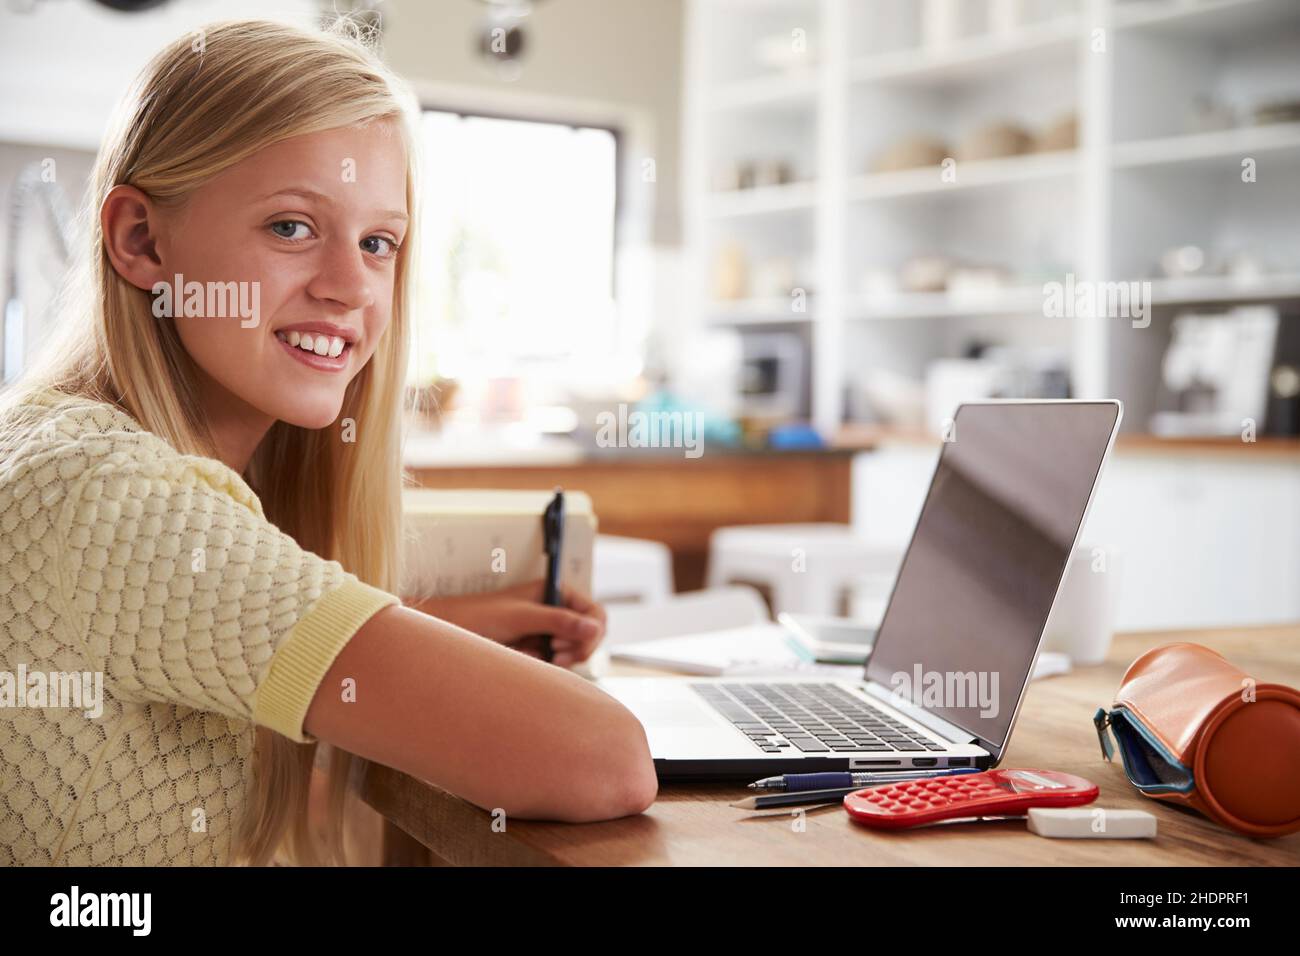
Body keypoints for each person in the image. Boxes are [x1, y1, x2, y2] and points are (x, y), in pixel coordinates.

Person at [0, 17, 656, 867]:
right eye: (291, 228)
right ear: (141, 240)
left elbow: (182, 624)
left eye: (378, 242)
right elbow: (604, 760)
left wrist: (433, 632)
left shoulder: (64, 452)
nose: (350, 288)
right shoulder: (109, 497)